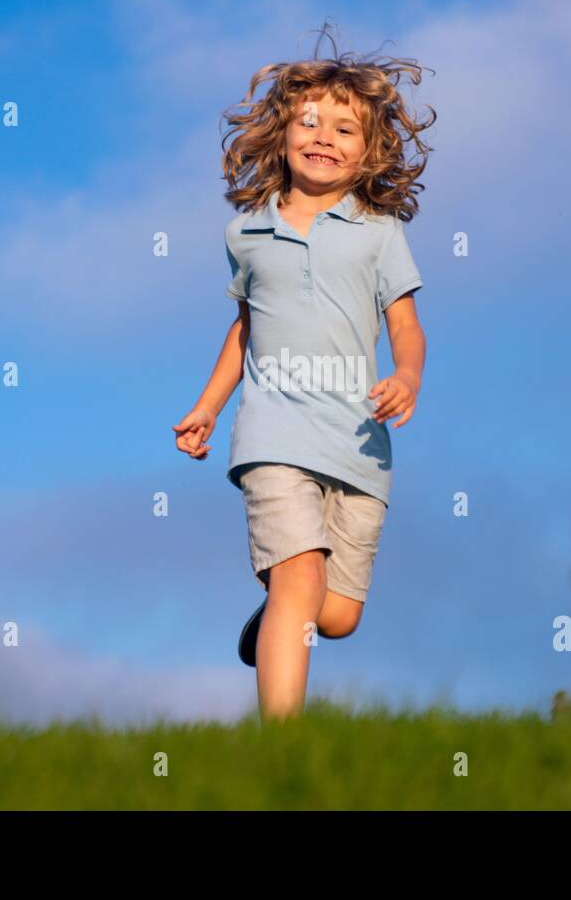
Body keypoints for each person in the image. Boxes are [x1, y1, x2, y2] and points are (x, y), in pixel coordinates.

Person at [173, 37, 435, 721]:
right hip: (273, 433)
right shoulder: (246, 234)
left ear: (370, 150)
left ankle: (270, 622)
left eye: (345, 128)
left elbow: (405, 326)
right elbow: (246, 328)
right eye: (309, 121)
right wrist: (206, 408)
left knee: (338, 613)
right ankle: (282, 747)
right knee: (301, 575)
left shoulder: (379, 233)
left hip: (358, 439)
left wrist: (407, 375)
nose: (324, 137)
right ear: (282, 133)